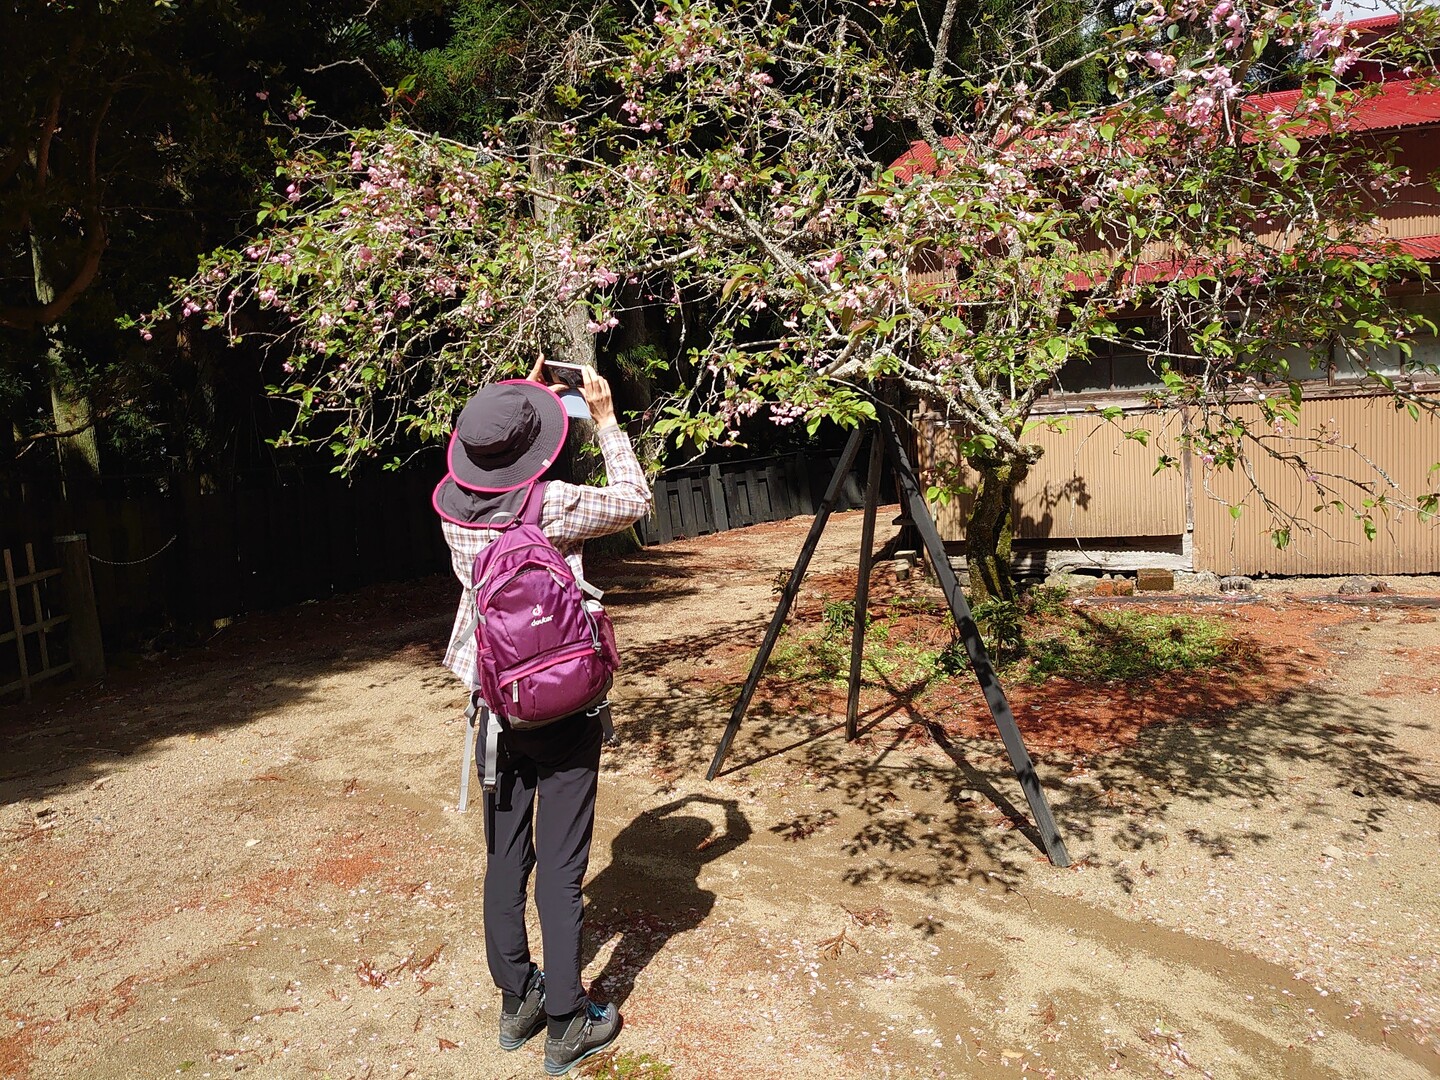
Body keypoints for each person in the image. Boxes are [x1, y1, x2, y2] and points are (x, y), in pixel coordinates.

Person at [431, 359, 652, 1074]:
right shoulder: (553, 504)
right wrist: (607, 421)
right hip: (561, 702)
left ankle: (516, 999)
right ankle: (566, 1020)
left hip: (496, 706)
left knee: (505, 858)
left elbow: (492, 459)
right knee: (560, 866)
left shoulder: (451, 510)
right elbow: (635, 499)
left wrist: (517, 399)